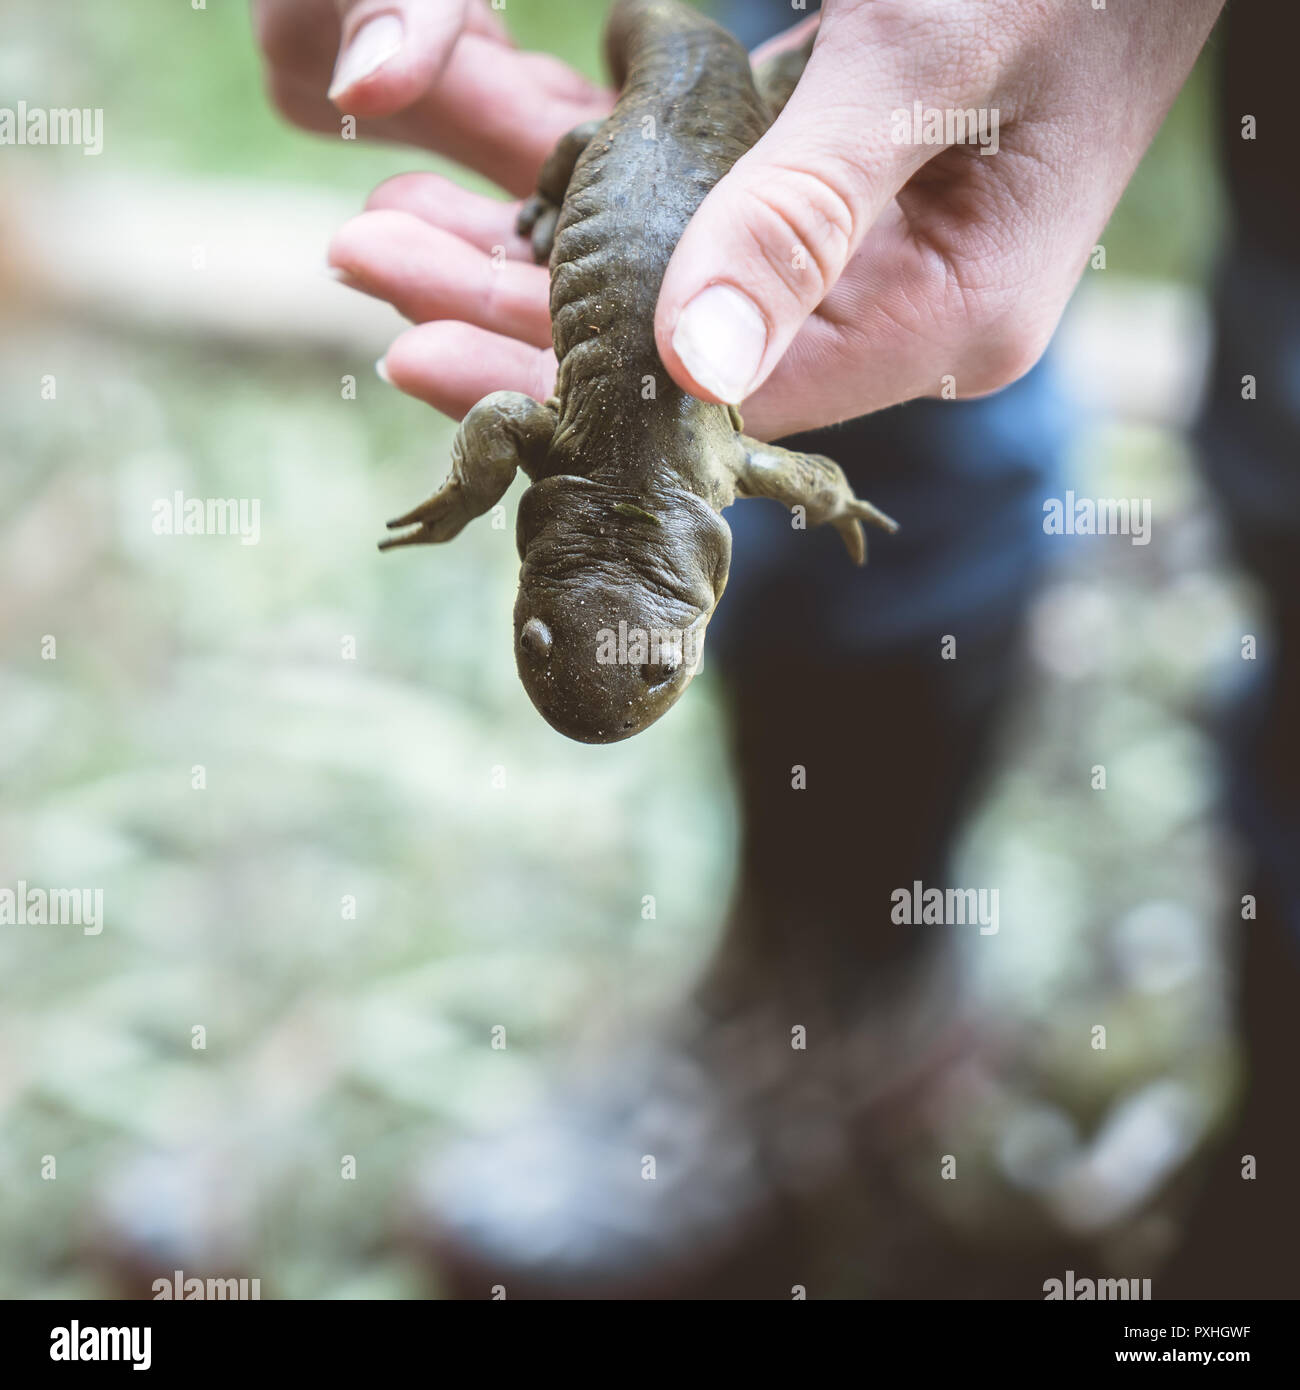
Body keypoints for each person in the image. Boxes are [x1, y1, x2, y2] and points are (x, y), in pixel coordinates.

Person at [251, 0, 1294, 1299]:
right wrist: (830, 491)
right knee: (893, 373)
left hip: (697, 115)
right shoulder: (654, 452)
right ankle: (836, 987)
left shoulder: (697, 456)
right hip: (670, 108)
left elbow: (580, 421)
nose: (602, 677)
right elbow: (547, 417)